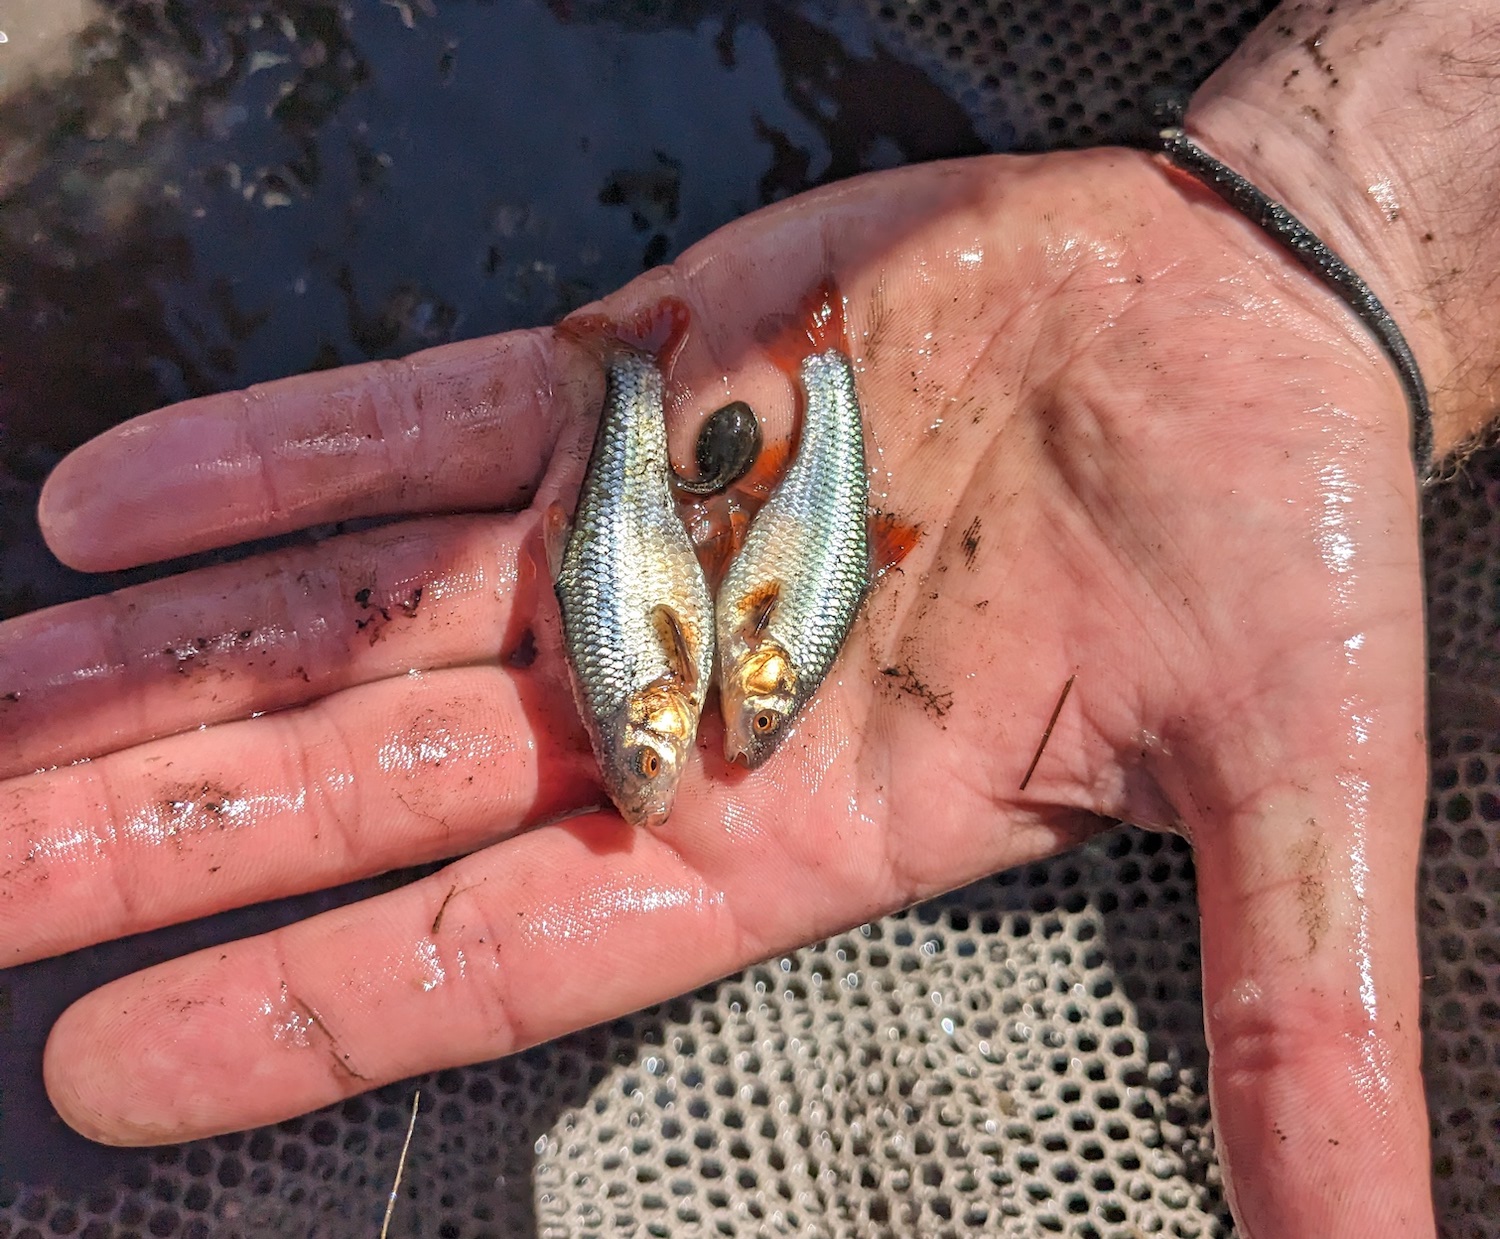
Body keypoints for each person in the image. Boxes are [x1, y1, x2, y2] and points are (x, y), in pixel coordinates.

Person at [0, 1, 1488, 1234]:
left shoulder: (703, 670)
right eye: (723, 722)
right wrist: (1316, 211)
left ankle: (670, 385)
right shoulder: (696, 672)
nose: (712, 732)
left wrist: (1333, 226)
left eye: (712, 728)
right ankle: (646, 384)